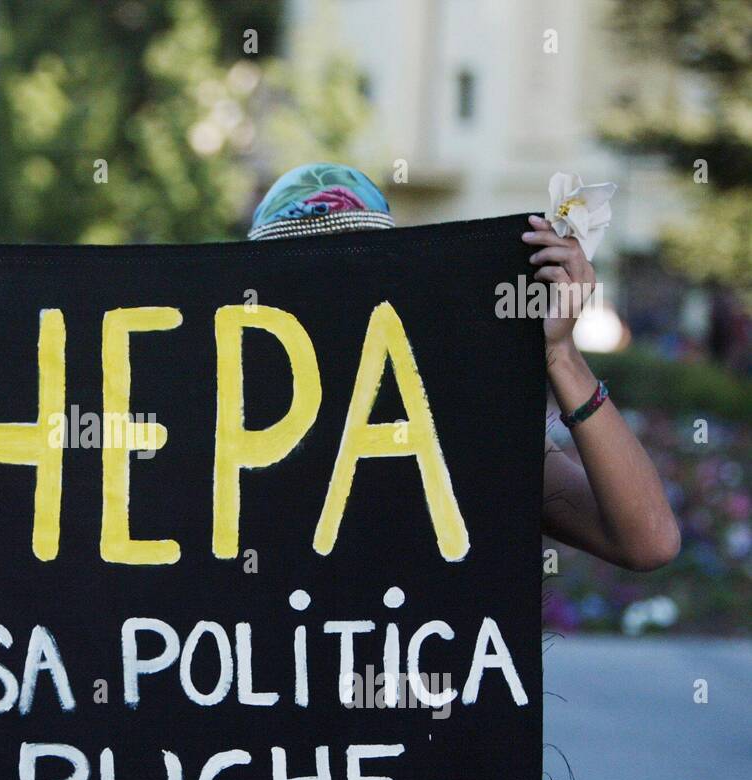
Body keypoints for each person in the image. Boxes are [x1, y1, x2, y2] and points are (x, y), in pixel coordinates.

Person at [249, 163, 681, 572]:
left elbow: (649, 540)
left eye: (353, 275)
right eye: (300, 281)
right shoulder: (224, 426)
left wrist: (561, 354)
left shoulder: (451, 422)